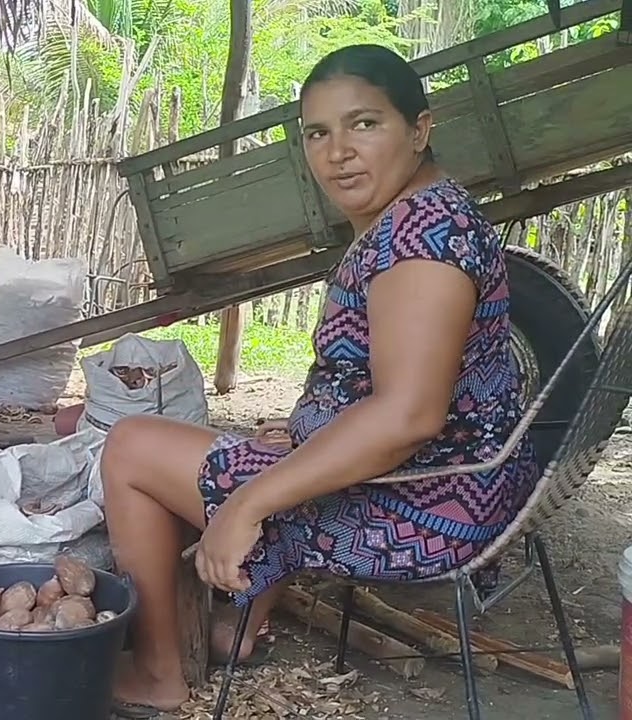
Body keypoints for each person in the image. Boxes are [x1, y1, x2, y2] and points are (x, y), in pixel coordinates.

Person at [104, 44, 539, 717]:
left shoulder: (421, 241)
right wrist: (310, 434)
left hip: (424, 507)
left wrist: (247, 507)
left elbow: (406, 417)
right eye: (318, 132)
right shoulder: (428, 214)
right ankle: (239, 627)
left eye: (364, 124)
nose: (337, 151)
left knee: (131, 447)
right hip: (460, 479)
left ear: (419, 129)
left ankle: (161, 673)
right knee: (276, 445)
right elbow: (389, 395)